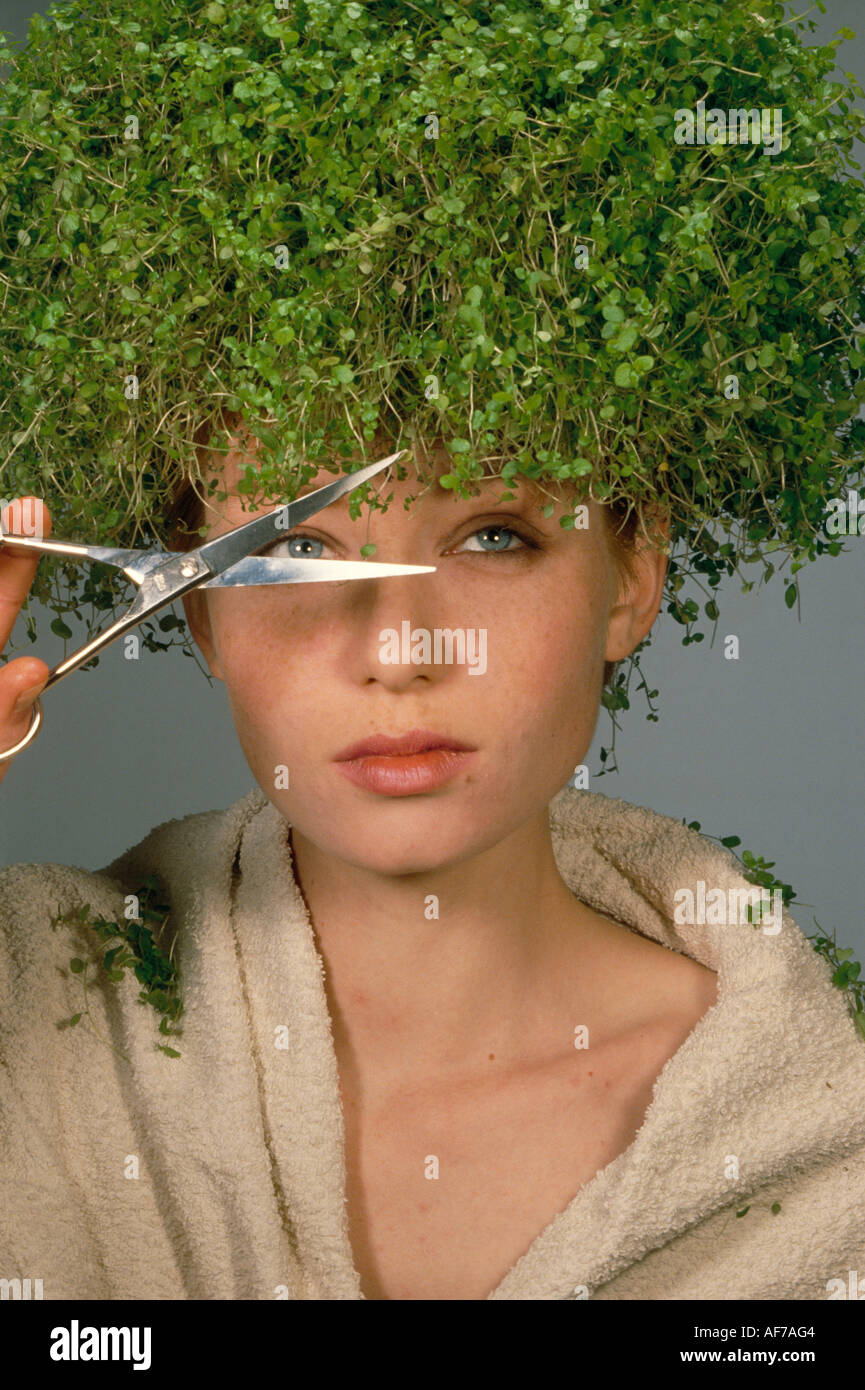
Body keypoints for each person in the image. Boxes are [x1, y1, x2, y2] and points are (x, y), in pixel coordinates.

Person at [1, 426, 863, 1302]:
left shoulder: (821, 1138)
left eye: (493, 537)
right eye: (295, 550)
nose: (399, 654)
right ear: (196, 612)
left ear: (629, 581)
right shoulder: (29, 1015)